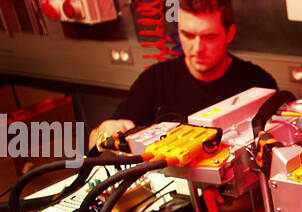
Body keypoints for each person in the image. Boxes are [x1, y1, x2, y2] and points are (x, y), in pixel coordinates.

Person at [88, 0, 277, 148]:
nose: (197, 48)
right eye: (188, 35)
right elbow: (93, 141)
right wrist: (104, 132)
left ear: (229, 34)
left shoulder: (257, 84)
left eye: (209, 37)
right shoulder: (155, 79)